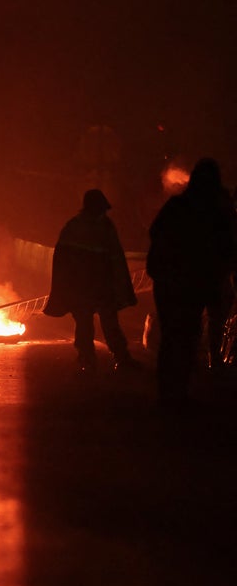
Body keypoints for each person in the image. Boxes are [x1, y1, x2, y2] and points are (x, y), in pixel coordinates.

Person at [147, 158, 236, 405]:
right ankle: (177, 392)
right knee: (186, 337)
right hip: (192, 284)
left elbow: (155, 232)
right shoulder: (214, 213)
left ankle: (168, 392)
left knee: (172, 337)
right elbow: (226, 247)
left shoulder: (178, 206)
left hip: (169, 281)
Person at [43, 189, 139, 374]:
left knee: (105, 323)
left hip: (98, 287)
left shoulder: (84, 227)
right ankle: (89, 359)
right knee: (87, 324)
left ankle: (115, 357)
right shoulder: (86, 228)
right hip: (86, 288)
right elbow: (65, 260)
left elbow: (114, 257)